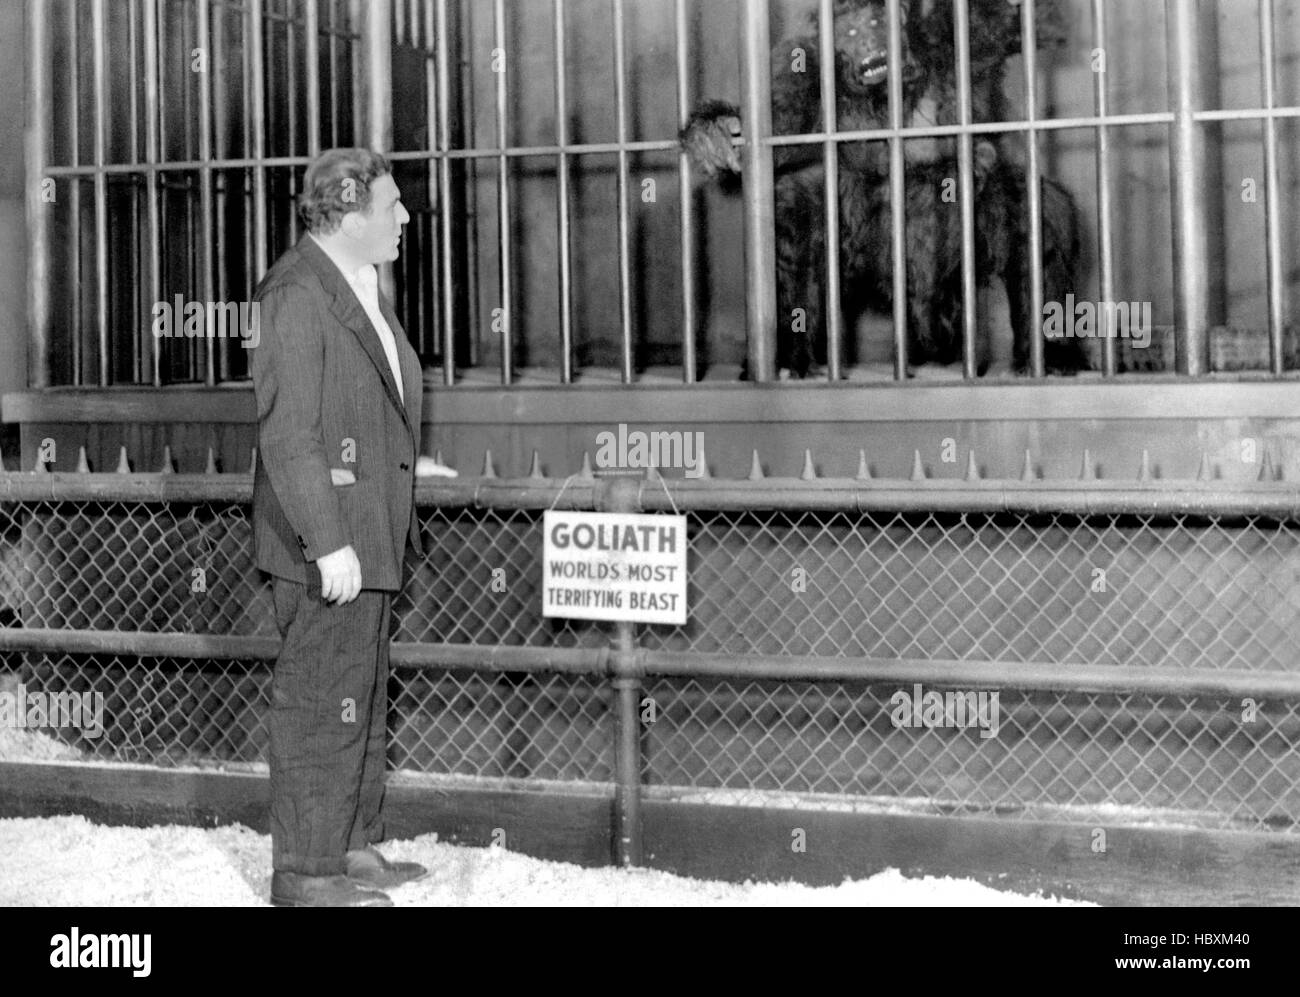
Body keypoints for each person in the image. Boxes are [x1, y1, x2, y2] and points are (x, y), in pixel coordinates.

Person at [250, 147, 454, 907]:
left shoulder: (357, 284)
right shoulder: (295, 293)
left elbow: (370, 403)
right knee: (318, 701)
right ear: (346, 210)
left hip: (368, 531)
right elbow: (291, 435)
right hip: (327, 544)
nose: (404, 216)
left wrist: (404, 468)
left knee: (361, 697)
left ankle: (348, 846)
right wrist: (327, 540)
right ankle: (303, 872)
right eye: (392, 204)